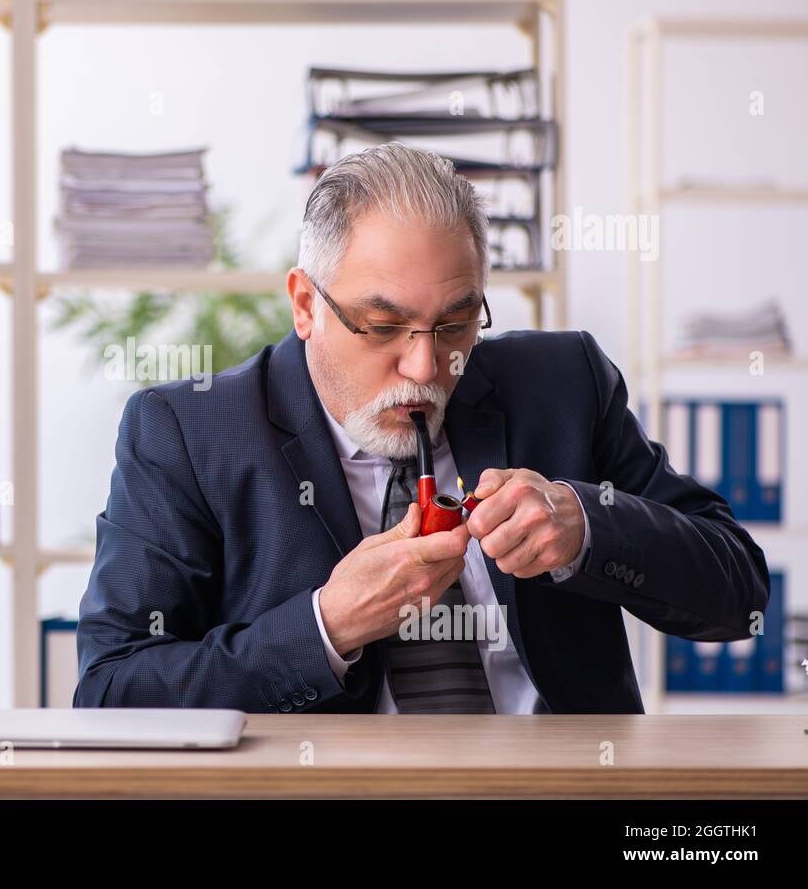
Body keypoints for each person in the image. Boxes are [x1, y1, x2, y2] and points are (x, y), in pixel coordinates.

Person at [74, 143, 768, 714]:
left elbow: (739, 595)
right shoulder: (187, 432)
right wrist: (326, 625)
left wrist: (591, 524)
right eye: (381, 326)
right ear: (305, 304)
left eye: (457, 323)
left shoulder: (564, 383)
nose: (426, 364)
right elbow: (112, 691)